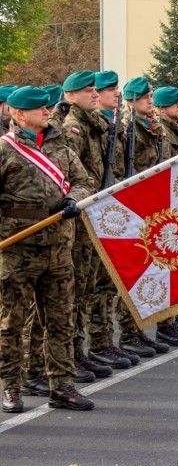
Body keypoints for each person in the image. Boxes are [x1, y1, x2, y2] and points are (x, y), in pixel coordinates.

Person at [0, 86, 95, 412]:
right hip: (17, 251)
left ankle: (62, 387)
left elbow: (84, 181)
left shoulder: (62, 147)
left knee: (61, 321)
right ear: (18, 113)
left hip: (58, 247)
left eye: (45, 107)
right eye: (38, 108)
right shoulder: (5, 150)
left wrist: (73, 198)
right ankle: (12, 388)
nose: (46, 111)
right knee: (12, 324)